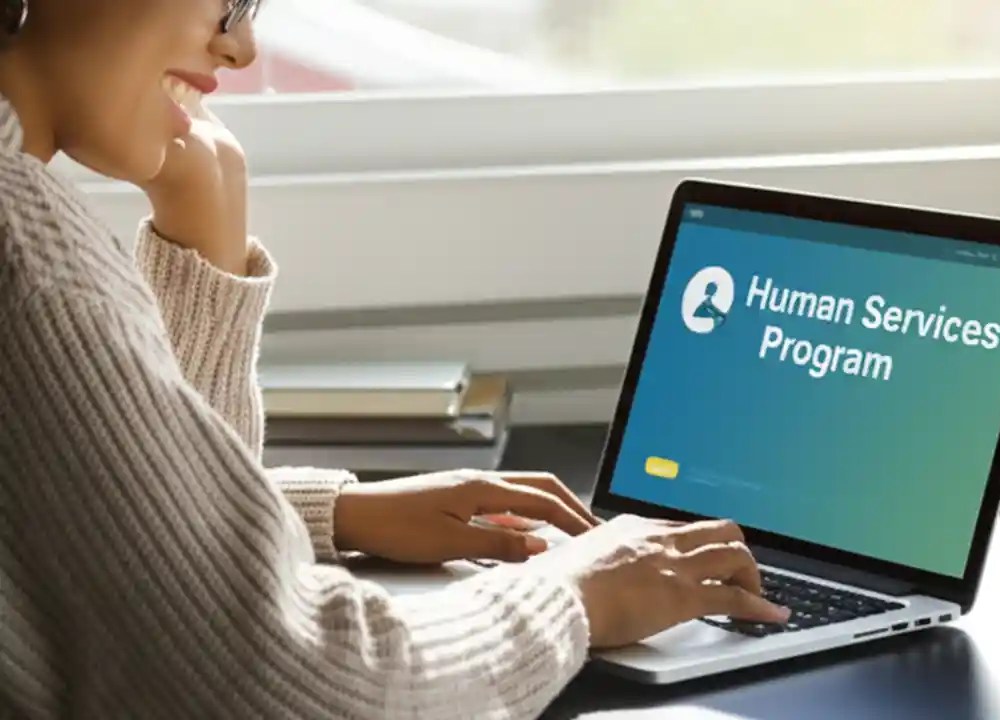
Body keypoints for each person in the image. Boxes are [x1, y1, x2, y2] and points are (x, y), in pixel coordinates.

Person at [0, 1, 789, 717]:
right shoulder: (34, 263)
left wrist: (333, 515)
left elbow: (146, 575)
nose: (239, 47)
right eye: (231, 0)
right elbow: (278, 682)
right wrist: (572, 590)